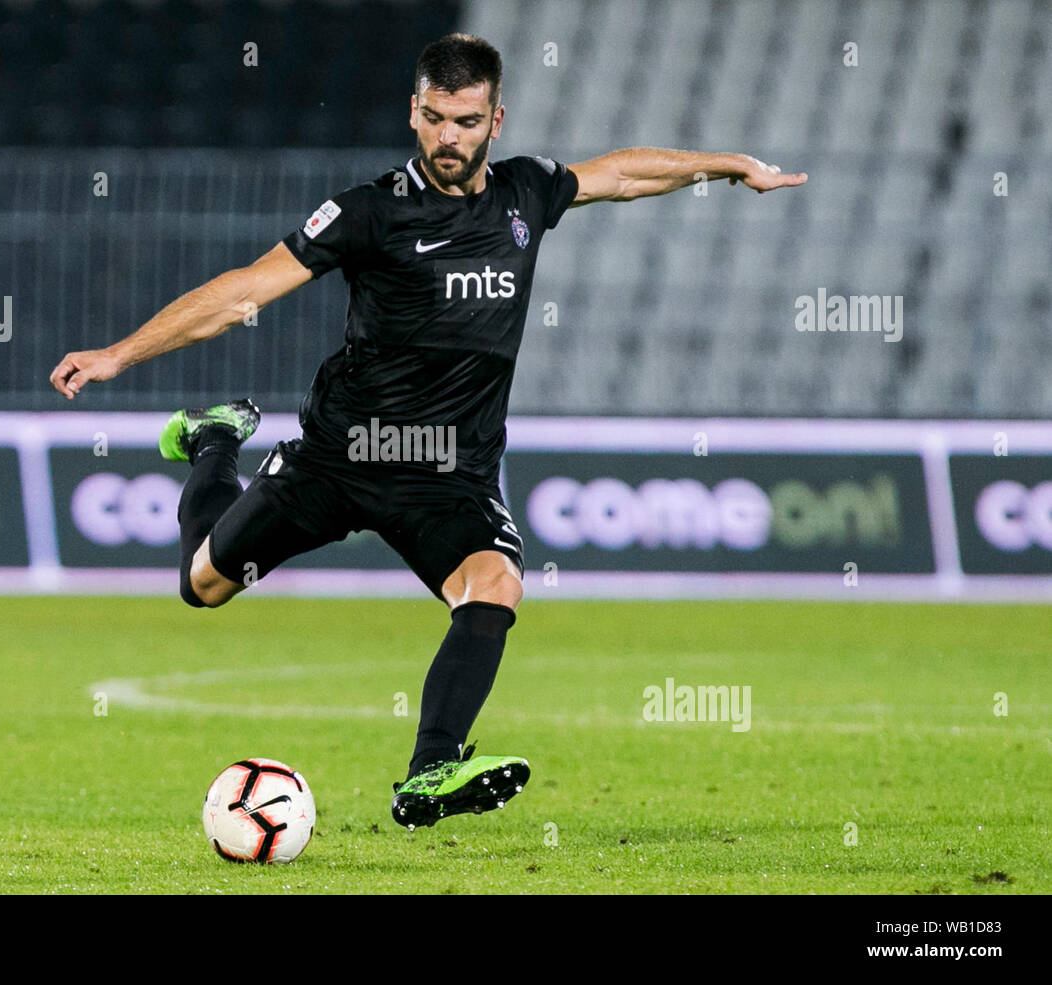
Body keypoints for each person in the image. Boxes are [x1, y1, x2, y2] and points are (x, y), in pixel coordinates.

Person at [49, 32, 806, 829]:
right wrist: (118, 354)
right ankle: (213, 441)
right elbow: (245, 289)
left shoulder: (526, 195)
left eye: (468, 121)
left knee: (496, 584)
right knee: (202, 583)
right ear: (414, 112)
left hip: (448, 475)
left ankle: (430, 771)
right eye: (437, 118)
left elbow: (619, 173)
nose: (451, 137)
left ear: (496, 120)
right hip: (339, 459)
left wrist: (728, 165)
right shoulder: (368, 212)